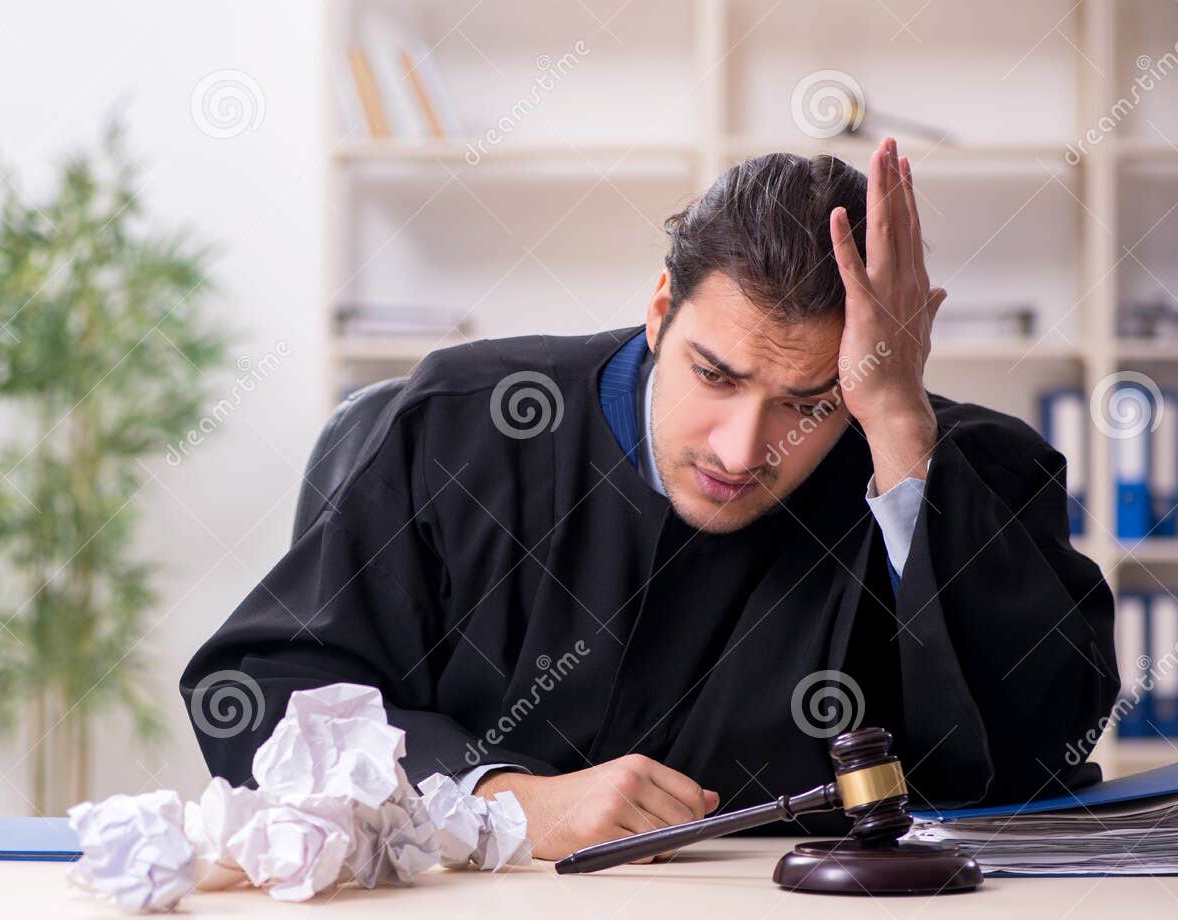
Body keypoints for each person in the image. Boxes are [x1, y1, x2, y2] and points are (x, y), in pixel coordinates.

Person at [180, 137, 1118, 863]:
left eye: (809, 403)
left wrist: (900, 434)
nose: (744, 449)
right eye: (715, 375)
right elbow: (257, 695)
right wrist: (496, 796)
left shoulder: (970, 468)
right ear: (661, 309)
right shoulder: (466, 426)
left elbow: (1036, 762)